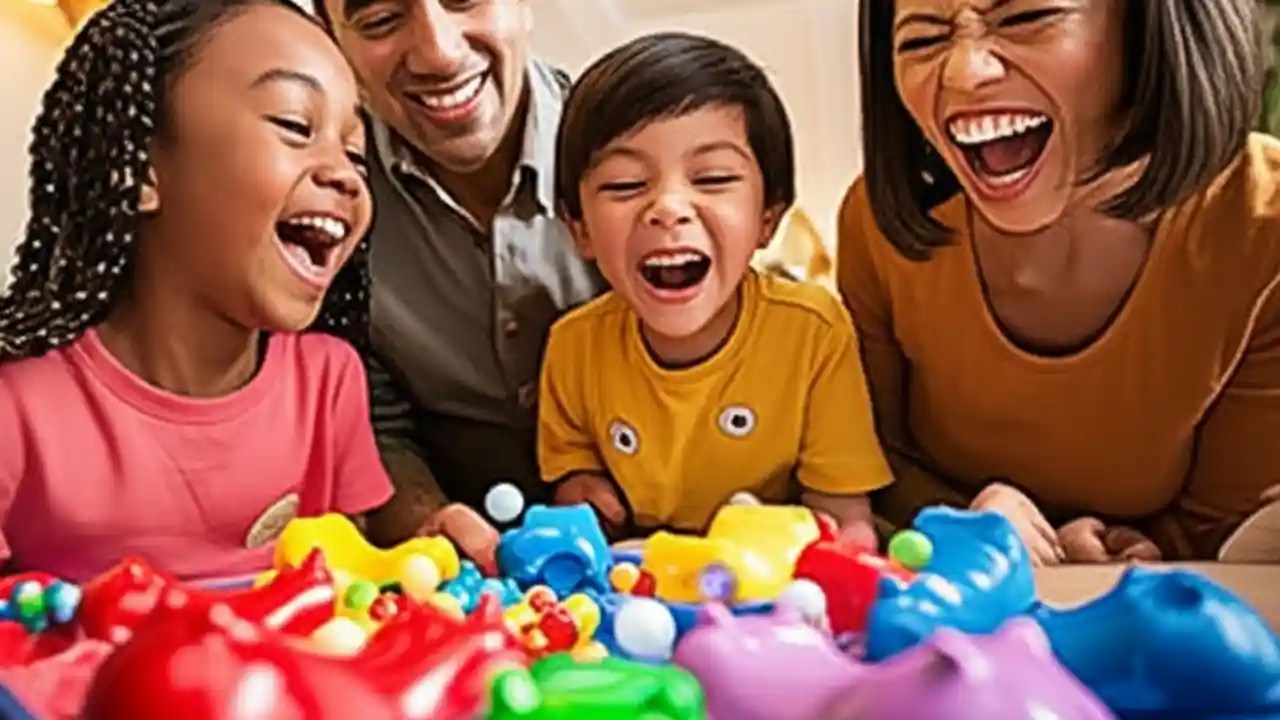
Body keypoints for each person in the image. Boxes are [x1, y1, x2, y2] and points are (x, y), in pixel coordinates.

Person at [840, 0, 1273, 563]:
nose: (964, 71)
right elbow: (867, 463)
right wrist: (960, 518)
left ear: (1152, 32)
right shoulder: (879, 225)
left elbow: (1226, 523)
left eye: (1026, 18)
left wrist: (1113, 548)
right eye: (921, 41)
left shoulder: (1262, 227)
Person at [0, 0, 393, 582]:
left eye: (355, 153)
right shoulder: (17, 408)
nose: (344, 173)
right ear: (139, 171)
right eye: (293, 124)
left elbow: (351, 593)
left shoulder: (328, 384)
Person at [539, 32, 894, 540]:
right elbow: (574, 480)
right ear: (579, 228)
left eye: (712, 178)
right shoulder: (573, 347)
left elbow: (843, 520)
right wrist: (585, 495)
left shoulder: (812, 335)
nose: (667, 207)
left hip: (772, 589)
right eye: (624, 184)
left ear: (769, 215)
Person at [313, 0, 606, 555]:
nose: (439, 54)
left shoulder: (640, 154)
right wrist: (423, 520)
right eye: (380, 20)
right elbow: (364, 418)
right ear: (331, 39)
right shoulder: (327, 199)